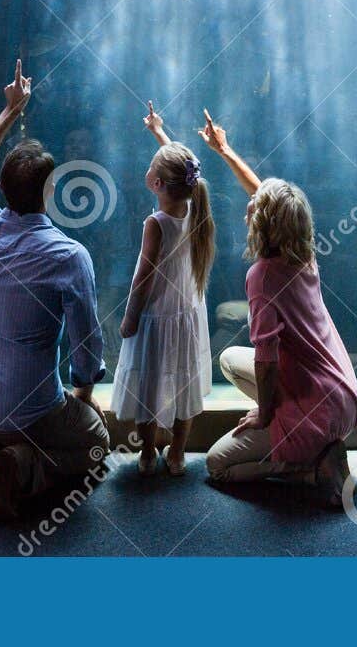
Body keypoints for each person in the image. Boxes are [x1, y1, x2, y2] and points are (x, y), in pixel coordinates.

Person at [0, 60, 109, 521]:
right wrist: (83, 393)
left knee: (7, 407)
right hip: (33, 413)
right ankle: (23, 467)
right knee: (99, 445)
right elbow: (86, 344)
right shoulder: (69, 256)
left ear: (0, 187)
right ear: (51, 190)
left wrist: (11, 110)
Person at [197, 110, 357, 507]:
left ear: (266, 225)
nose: (248, 207)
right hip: (345, 398)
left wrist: (265, 415)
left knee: (217, 465)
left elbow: (267, 363)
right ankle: (312, 444)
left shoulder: (263, 276)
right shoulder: (304, 254)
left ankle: (308, 467)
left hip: (317, 413)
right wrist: (224, 150)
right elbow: (268, 198)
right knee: (230, 359)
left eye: (254, 208)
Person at [110, 102, 215, 477]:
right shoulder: (193, 205)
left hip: (156, 315)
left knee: (148, 384)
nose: (149, 168)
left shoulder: (155, 222)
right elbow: (183, 168)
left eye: (152, 166)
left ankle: (146, 452)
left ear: (156, 183)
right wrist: (159, 132)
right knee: (184, 382)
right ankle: (178, 453)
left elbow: (143, 277)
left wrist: (129, 317)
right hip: (186, 311)